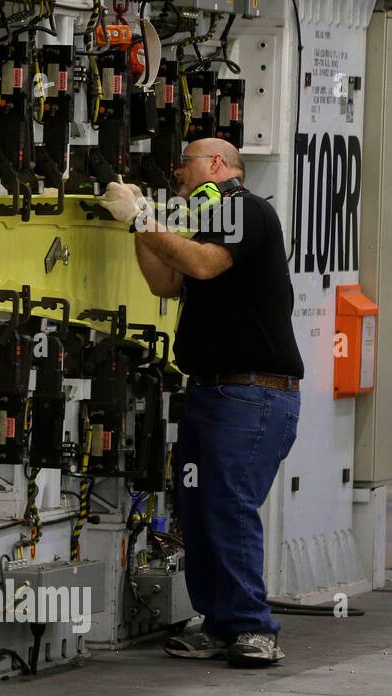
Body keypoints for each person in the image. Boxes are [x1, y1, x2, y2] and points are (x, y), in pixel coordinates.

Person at [98, 137, 304, 667]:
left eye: (185, 162)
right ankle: (219, 624)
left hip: (250, 394)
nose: (179, 172)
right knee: (198, 510)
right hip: (213, 392)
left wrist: (144, 221)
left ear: (217, 165)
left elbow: (205, 265)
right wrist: (139, 221)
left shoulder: (244, 209)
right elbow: (166, 281)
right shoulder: (212, 222)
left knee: (228, 509)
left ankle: (254, 628)